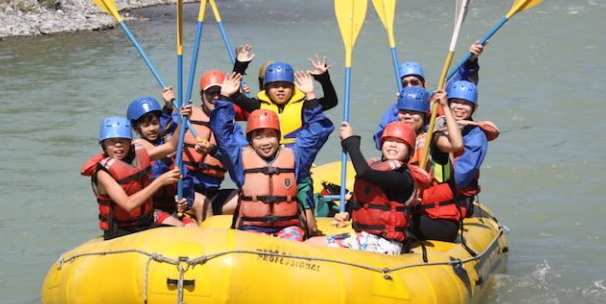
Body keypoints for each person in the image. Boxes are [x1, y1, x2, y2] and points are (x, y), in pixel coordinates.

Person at [211, 72, 334, 241]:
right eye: (258, 137)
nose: (265, 142)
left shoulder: (295, 157)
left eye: (270, 135)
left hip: (288, 228)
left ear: (278, 137)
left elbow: (318, 131)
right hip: (251, 228)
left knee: (295, 239)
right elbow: (222, 133)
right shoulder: (239, 159)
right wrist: (225, 97)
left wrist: (311, 97)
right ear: (250, 140)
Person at [306, 121, 432, 254]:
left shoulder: (402, 178)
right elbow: (364, 198)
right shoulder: (377, 168)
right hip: (367, 238)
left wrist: (350, 141)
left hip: (385, 244)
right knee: (311, 242)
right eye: (389, 140)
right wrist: (347, 213)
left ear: (409, 152)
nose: (393, 144)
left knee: (312, 245)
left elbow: (365, 173)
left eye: (400, 142)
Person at [82, 116, 182, 239]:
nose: (118, 146)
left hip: (146, 220)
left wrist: (183, 121)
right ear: (103, 144)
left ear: (130, 142)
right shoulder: (103, 174)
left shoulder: (138, 157)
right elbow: (128, 204)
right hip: (122, 229)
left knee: (179, 227)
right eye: (112, 141)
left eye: (123, 141)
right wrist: (160, 181)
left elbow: (171, 146)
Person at [373, 41, 486, 150]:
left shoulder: (437, 99)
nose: (409, 86)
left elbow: (461, 85)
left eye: (414, 82)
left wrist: (471, 61)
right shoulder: (395, 109)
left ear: (424, 83)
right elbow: (381, 141)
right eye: (405, 84)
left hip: (439, 147)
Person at [393, 86, 464, 242]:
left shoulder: (434, 139)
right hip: (413, 215)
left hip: (439, 220)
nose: (407, 116)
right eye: (403, 111)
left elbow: (457, 145)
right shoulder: (397, 142)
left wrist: (445, 106)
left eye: (413, 113)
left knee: (391, 226)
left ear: (425, 115)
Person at [173, 70, 247, 217]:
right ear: (202, 95)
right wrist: (171, 109)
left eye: (219, 92)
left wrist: (214, 150)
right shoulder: (187, 116)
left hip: (213, 192)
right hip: (185, 189)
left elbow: (240, 159)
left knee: (246, 199)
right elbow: (163, 137)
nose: (215, 97)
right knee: (202, 202)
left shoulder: (232, 127)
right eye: (210, 92)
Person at [126, 92, 206, 224]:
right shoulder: (136, 149)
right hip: (151, 211)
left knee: (193, 228)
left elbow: (185, 179)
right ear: (136, 128)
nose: (152, 128)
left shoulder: (169, 147)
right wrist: (175, 114)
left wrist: (184, 200)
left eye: (155, 123)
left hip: (172, 208)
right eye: (146, 125)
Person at [447, 80, 498, 219]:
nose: (460, 107)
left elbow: (461, 176)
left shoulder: (476, 136)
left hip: (457, 197)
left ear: (474, 107)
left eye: (465, 103)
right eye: (456, 102)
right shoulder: (436, 126)